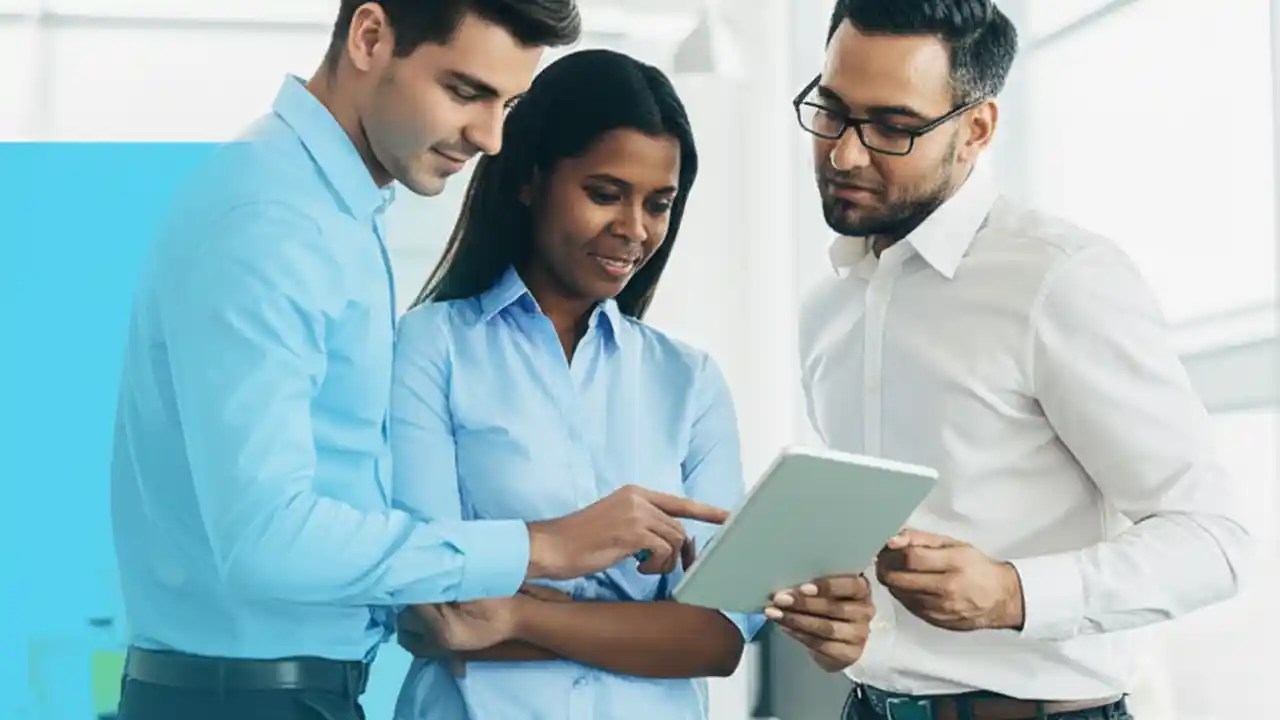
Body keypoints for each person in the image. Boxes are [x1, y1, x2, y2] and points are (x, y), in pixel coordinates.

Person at [110, 3, 734, 720]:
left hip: (287, 690)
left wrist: (513, 602)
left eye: (509, 104)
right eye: (465, 92)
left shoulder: (334, 212)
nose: (491, 137)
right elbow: (265, 538)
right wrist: (543, 545)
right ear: (370, 37)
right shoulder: (274, 220)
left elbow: (717, 635)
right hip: (243, 697)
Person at [792, 1, 1252, 718]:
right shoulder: (829, 306)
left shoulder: (1059, 280)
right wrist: (841, 614)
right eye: (831, 110)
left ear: (976, 129)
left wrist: (1012, 593)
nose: (845, 152)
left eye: (893, 127)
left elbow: (1215, 542)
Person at [387, 48, 876, 720]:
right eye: (605, 193)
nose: (635, 229)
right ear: (529, 179)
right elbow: (430, 603)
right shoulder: (429, 347)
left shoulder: (690, 382)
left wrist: (510, 612)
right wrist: (594, 579)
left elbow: (715, 637)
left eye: (659, 203)